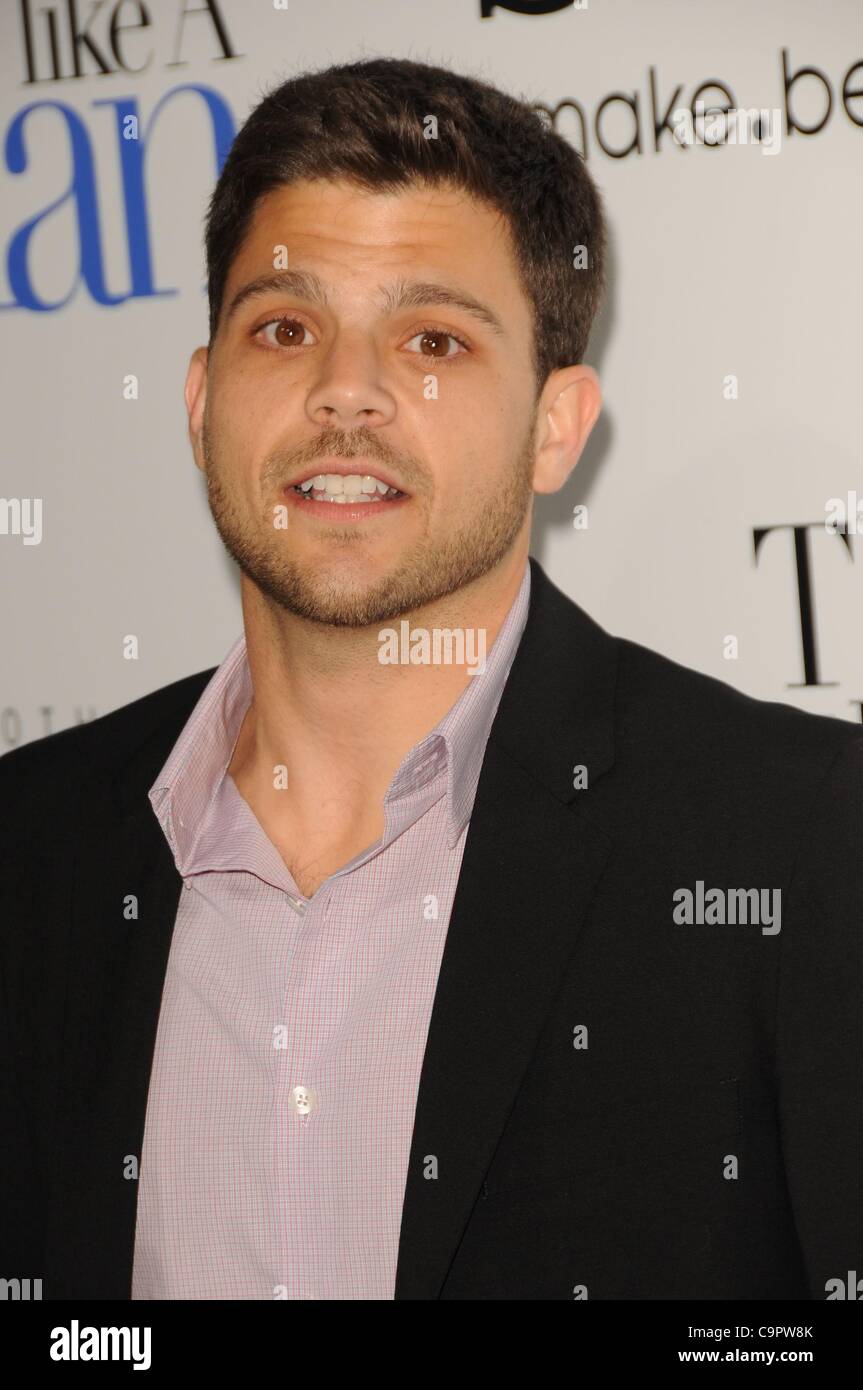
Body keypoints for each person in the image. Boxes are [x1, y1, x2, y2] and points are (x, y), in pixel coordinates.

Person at [1, 56, 861, 1302]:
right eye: (284, 328)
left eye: (433, 339)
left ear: (554, 428)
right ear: (200, 402)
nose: (345, 391)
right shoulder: (33, 847)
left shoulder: (794, 835)